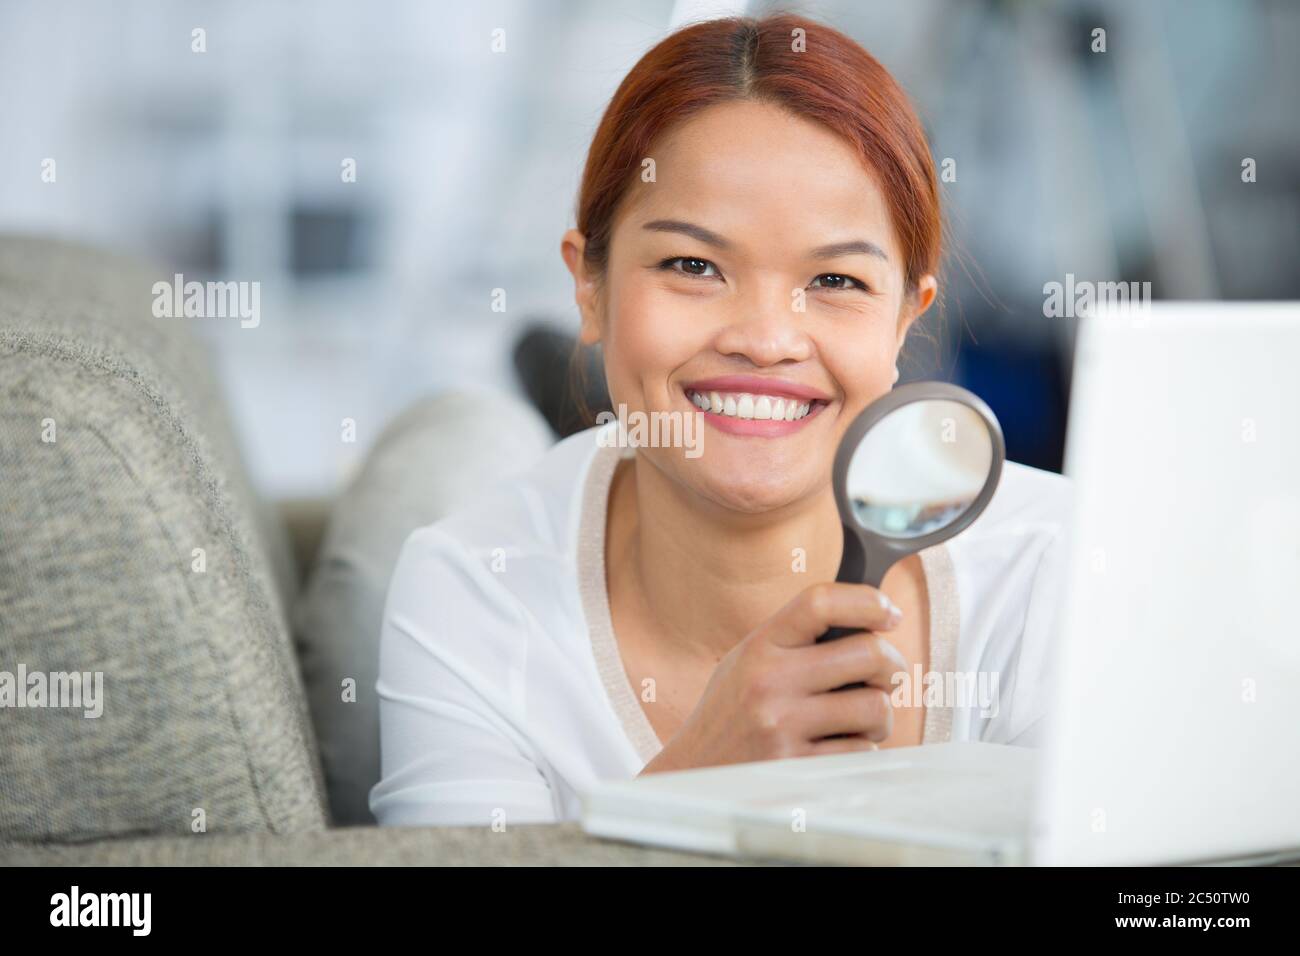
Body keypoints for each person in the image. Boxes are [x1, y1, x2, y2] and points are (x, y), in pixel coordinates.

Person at [370, 13, 1072, 827]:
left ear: (906, 321)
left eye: (837, 280)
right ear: (588, 286)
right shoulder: (470, 592)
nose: (767, 340)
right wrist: (691, 784)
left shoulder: (1057, 574)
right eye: (693, 266)